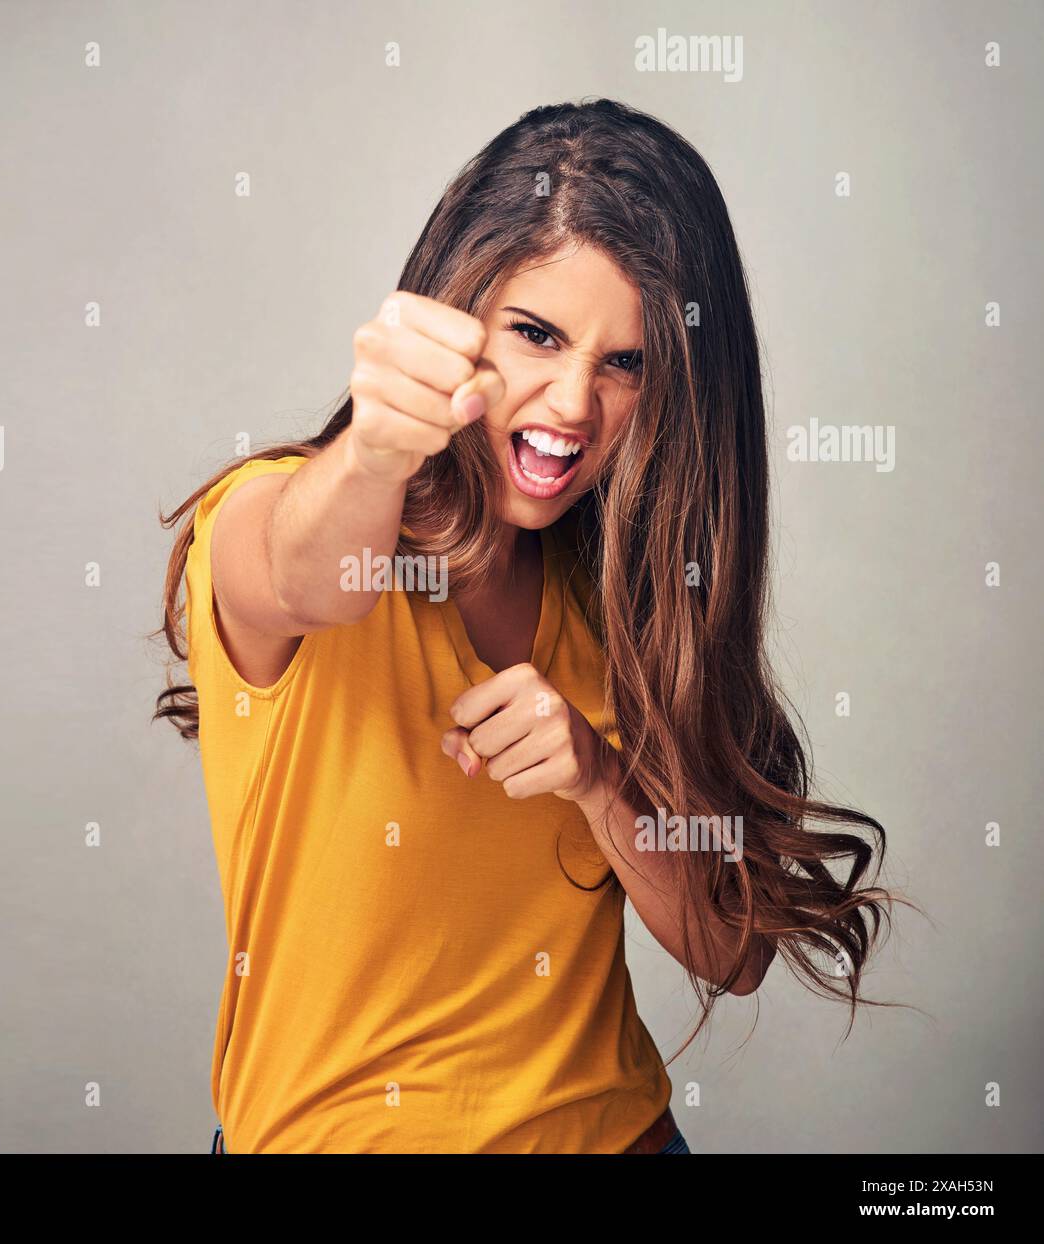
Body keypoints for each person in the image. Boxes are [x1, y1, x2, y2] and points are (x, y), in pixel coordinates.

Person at [157, 99, 895, 1154]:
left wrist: (599, 779)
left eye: (624, 364)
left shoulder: (622, 595)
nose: (572, 403)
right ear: (461, 313)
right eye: (536, 335)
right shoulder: (273, 511)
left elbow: (729, 951)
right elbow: (300, 575)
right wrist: (373, 453)